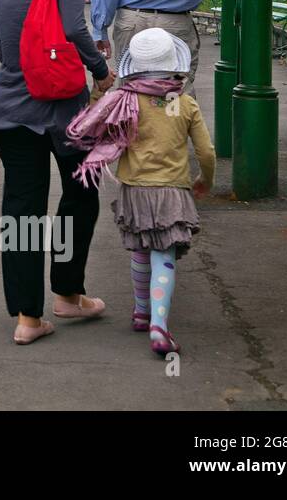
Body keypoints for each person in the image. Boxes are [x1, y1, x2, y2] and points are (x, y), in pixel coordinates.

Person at [0, 0, 116, 345]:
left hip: (11, 109)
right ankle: (68, 294)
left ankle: (27, 319)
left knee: (21, 210)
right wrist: (100, 69)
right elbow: (74, 28)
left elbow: (4, 47)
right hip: (62, 111)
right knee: (80, 194)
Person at [66, 28, 214, 356]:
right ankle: (159, 327)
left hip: (134, 189)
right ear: (174, 63)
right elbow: (206, 152)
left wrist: (95, 91)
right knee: (165, 254)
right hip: (172, 190)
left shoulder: (125, 101)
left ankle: (141, 311)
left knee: (140, 250)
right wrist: (206, 179)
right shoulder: (184, 103)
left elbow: (95, 121)